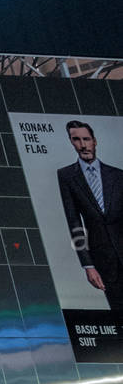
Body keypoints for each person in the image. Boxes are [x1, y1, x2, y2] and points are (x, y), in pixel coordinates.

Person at [58, 121, 123, 316]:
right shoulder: (67, 176)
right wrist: (88, 265)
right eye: (76, 139)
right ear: (71, 142)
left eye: (86, 139)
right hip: (103, 260)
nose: (83, 145)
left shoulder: (118, 175)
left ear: (94, 141)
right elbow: (74, 223)